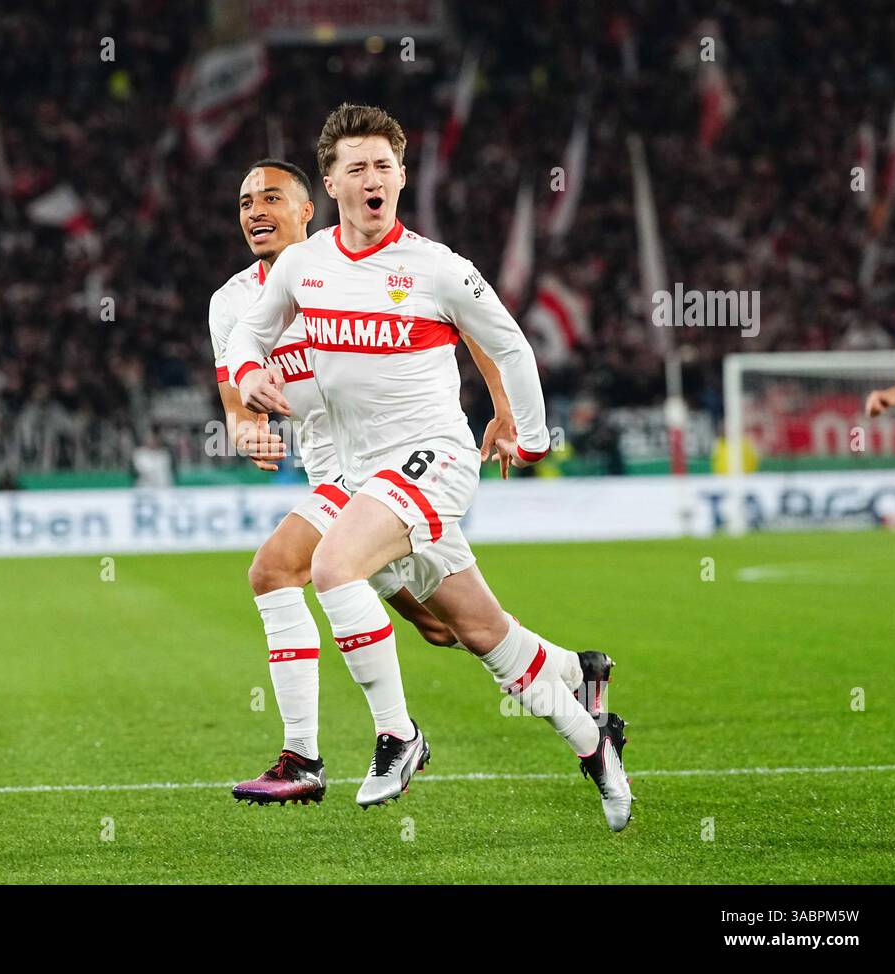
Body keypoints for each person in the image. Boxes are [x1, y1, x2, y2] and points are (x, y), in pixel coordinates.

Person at [225, 104, 630, 828]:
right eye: (358, 167)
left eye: (385, 166)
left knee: (323, 568)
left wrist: (526, 434)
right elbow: (245, 341)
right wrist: (249, 381)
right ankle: (590, 724)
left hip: (432, 460)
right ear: (334, 182)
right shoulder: (302, 268)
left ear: (402, 177)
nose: (373, 179)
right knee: (475, 635)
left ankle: (394, 737)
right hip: (353, 478)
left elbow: (506, 345)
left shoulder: (439, 268)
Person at [213, 158, 524, 806]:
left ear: (308, 209)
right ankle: (314, 754)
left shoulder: (356, 275)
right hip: (332, 478)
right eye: (245, 203)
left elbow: (477, 327)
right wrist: (247, 433)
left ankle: (564, 689)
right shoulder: (234, 303)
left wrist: (504, 407)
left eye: (271, 197)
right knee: (428, 623)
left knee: (448, 627)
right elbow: (237, 409)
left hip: (396, 471)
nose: (255, 212)